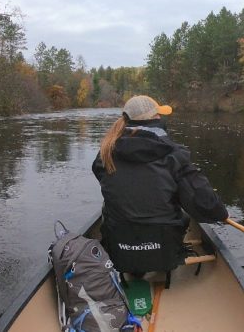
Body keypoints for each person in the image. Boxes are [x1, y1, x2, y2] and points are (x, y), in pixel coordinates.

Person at [92, 95, 228, 278]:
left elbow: (114, 184)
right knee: (183, 210)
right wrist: (221, 215)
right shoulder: (175, 155)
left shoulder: (104, 155)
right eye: (160, 114)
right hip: (164, 252)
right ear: (155, 119)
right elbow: (205, 203)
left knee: (108, 207)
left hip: (119, 252)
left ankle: (134, 265)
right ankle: (153, 260)